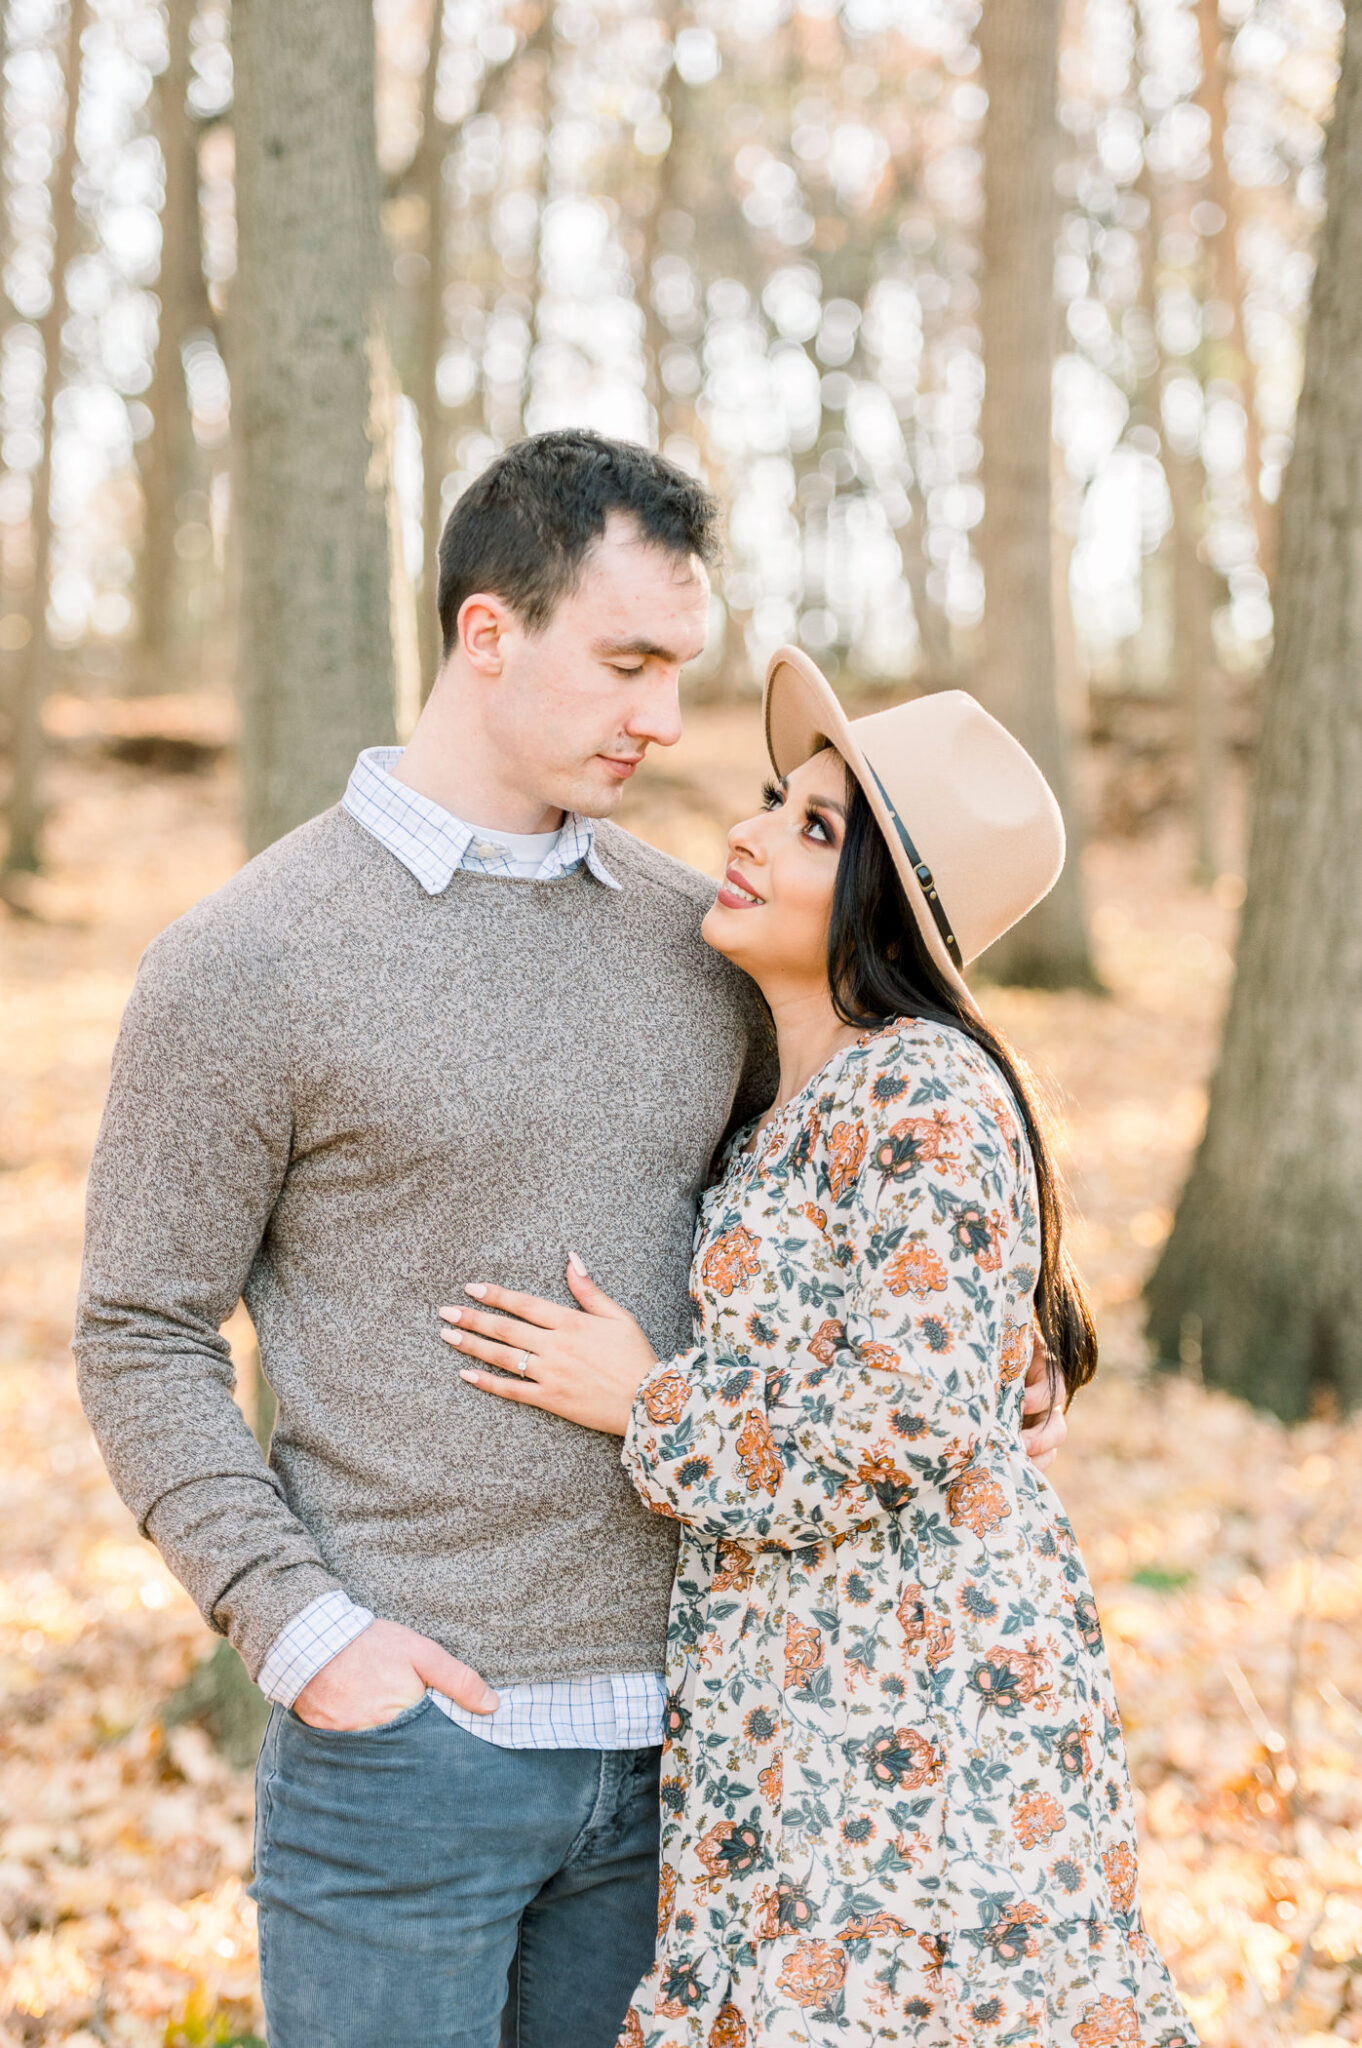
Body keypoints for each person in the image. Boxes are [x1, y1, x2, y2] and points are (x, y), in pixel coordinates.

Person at [73, 432, 1064, 2048]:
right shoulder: (243, 964)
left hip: (707, 1759)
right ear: (489, 633)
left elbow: (829, 1205)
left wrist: (998, 1346)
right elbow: (139, 1327)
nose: (664, 719)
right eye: (626, 664)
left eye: (679, 670)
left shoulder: (698, 943)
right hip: (412, 1759)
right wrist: (299, 1630)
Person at [442, 648, 1196, 2047]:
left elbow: (905, 1420)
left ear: (883, 906)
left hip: (918, 1727)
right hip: (796, 1712)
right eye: (772, 799)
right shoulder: (791, 1106)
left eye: (812, 828)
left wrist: (645, 1404)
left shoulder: (923, 1089)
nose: (746, 833)